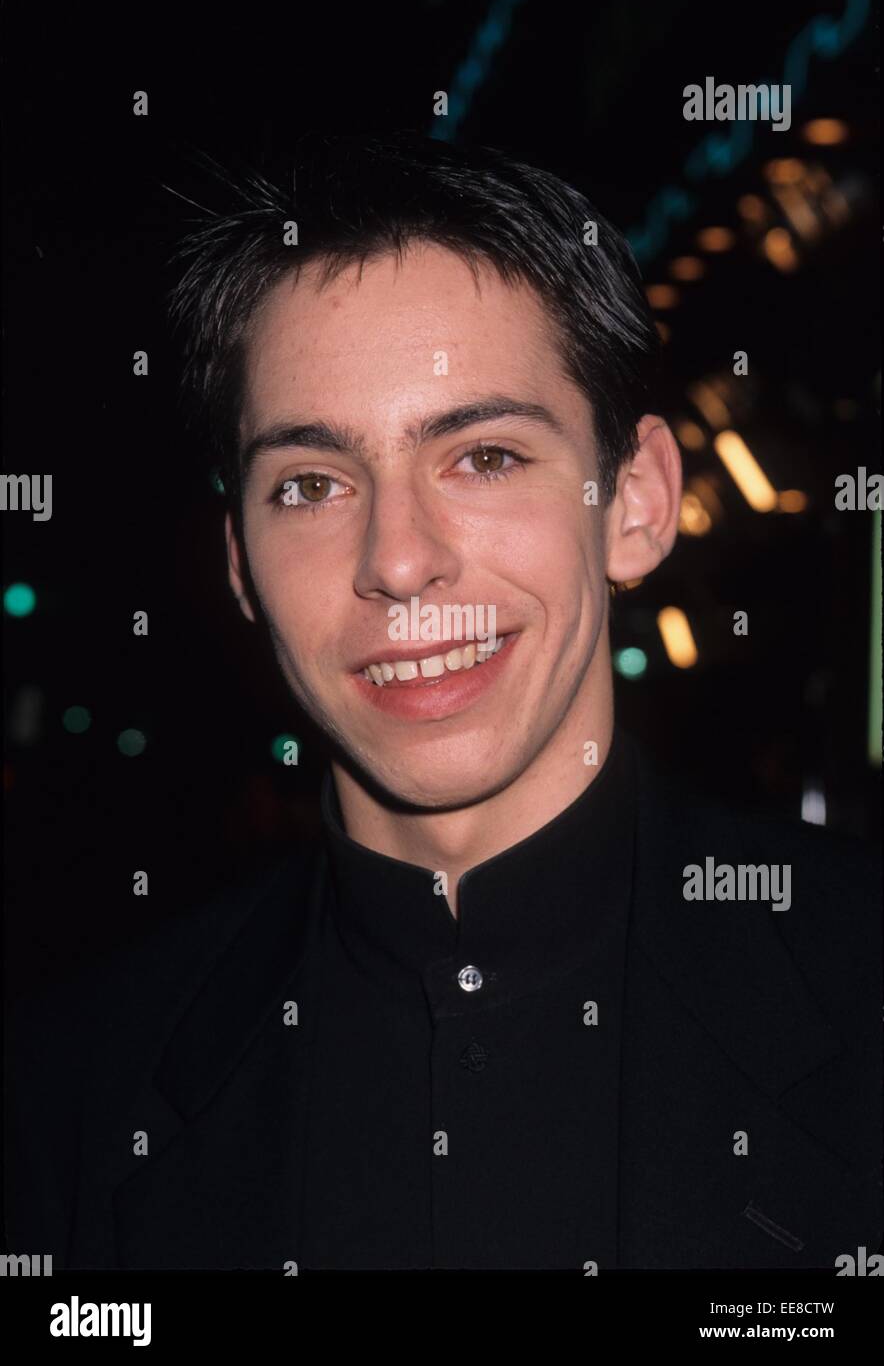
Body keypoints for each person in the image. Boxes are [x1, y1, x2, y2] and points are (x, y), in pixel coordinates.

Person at [7, 132, 880, 1272]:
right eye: (312, 484)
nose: (399, 560)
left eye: (483, 456)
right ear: (239, 563)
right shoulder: (66, 1093)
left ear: (634, 503)